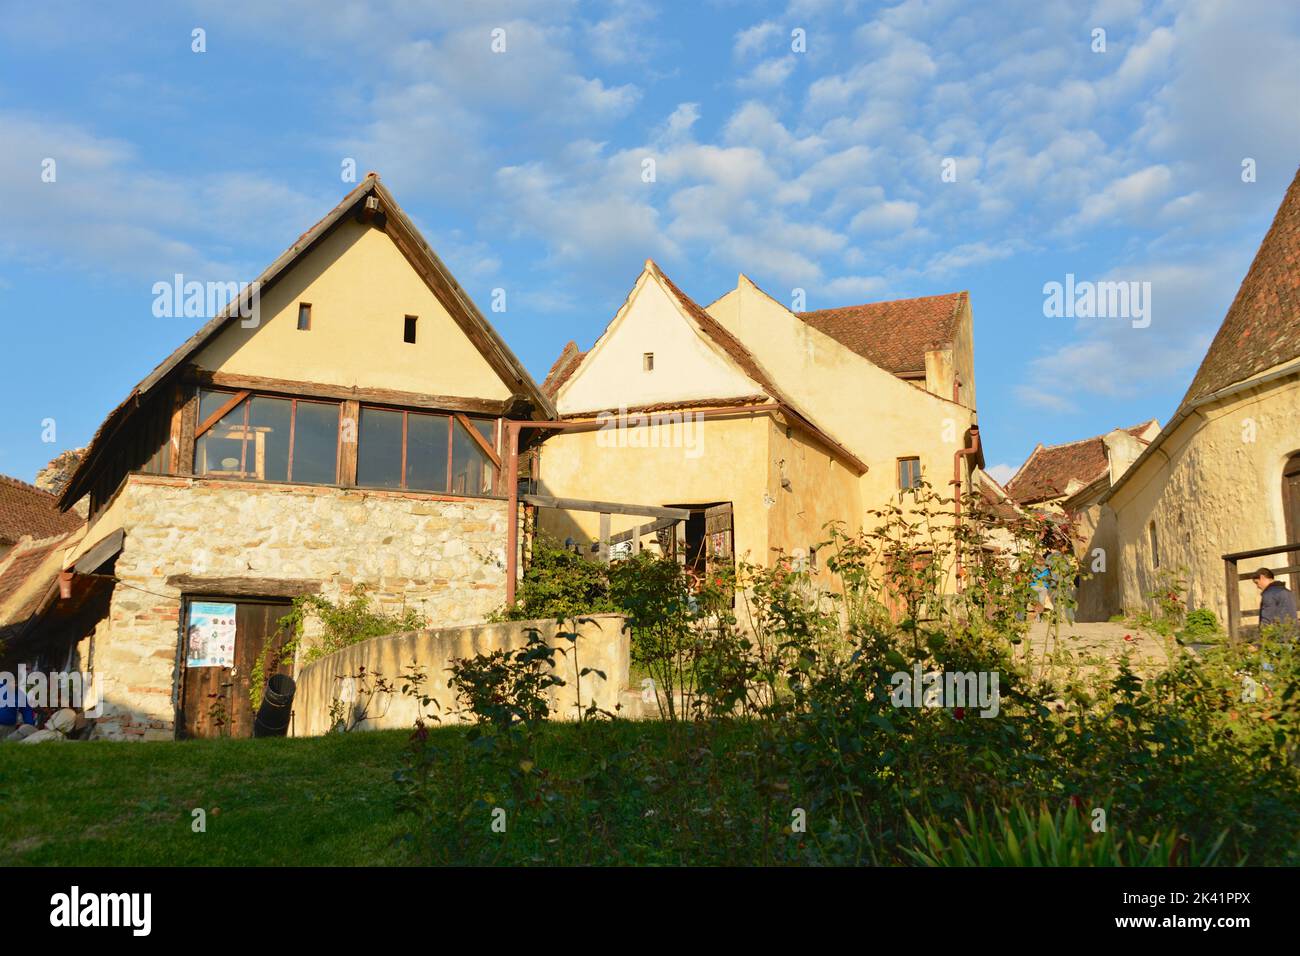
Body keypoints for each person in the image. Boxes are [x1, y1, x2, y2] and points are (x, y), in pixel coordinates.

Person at [1253, 568, 1298, 634]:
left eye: (1257, 582)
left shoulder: (1269, 594)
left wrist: (1261, 640)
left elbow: (1267, 619)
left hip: (1277, 637)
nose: (1257, 586)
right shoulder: (1288, 592)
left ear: (1262, 577)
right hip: (1293, 635)